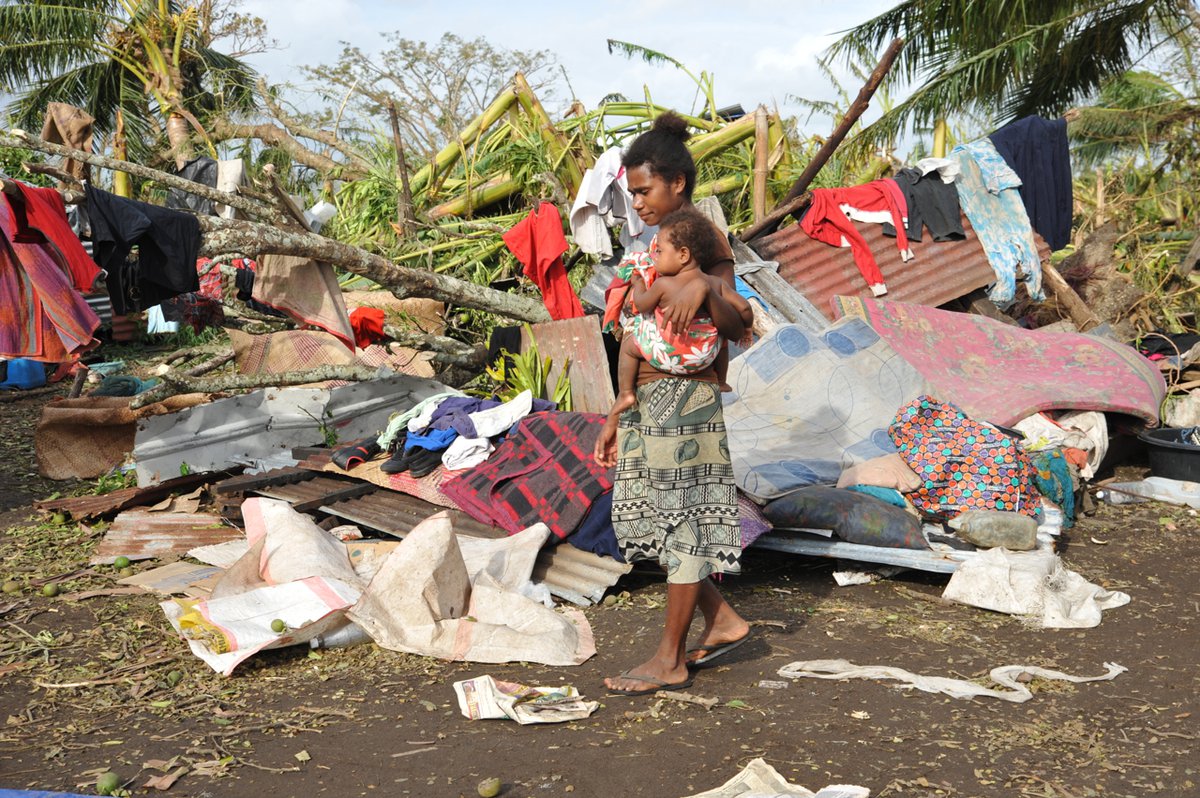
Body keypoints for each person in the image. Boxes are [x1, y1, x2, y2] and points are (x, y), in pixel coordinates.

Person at [595, 112, 752, 696]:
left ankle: (671, 659)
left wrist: (706, 285)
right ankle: (725, 619)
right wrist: (618, 411)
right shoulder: (656, 244)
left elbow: (739, 325)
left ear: (676, 183)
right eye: (631, 192)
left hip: (688, 400)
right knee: (653, 518)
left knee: (681, 521)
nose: (636, 203)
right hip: (649, 398)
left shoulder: (702, 241)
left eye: (643, 190)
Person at [606, 206, 752, 438]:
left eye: (659, 252)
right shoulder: (715, 283)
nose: (653, 256)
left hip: (668, 356)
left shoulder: (664, 285)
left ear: (683, 255)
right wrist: (747, 328)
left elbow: (642, 305)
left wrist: (638, 285)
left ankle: (625, 393)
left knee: (631, 340)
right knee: (719, 337)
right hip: (703, 358)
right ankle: (722, 382)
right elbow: (744, 307)